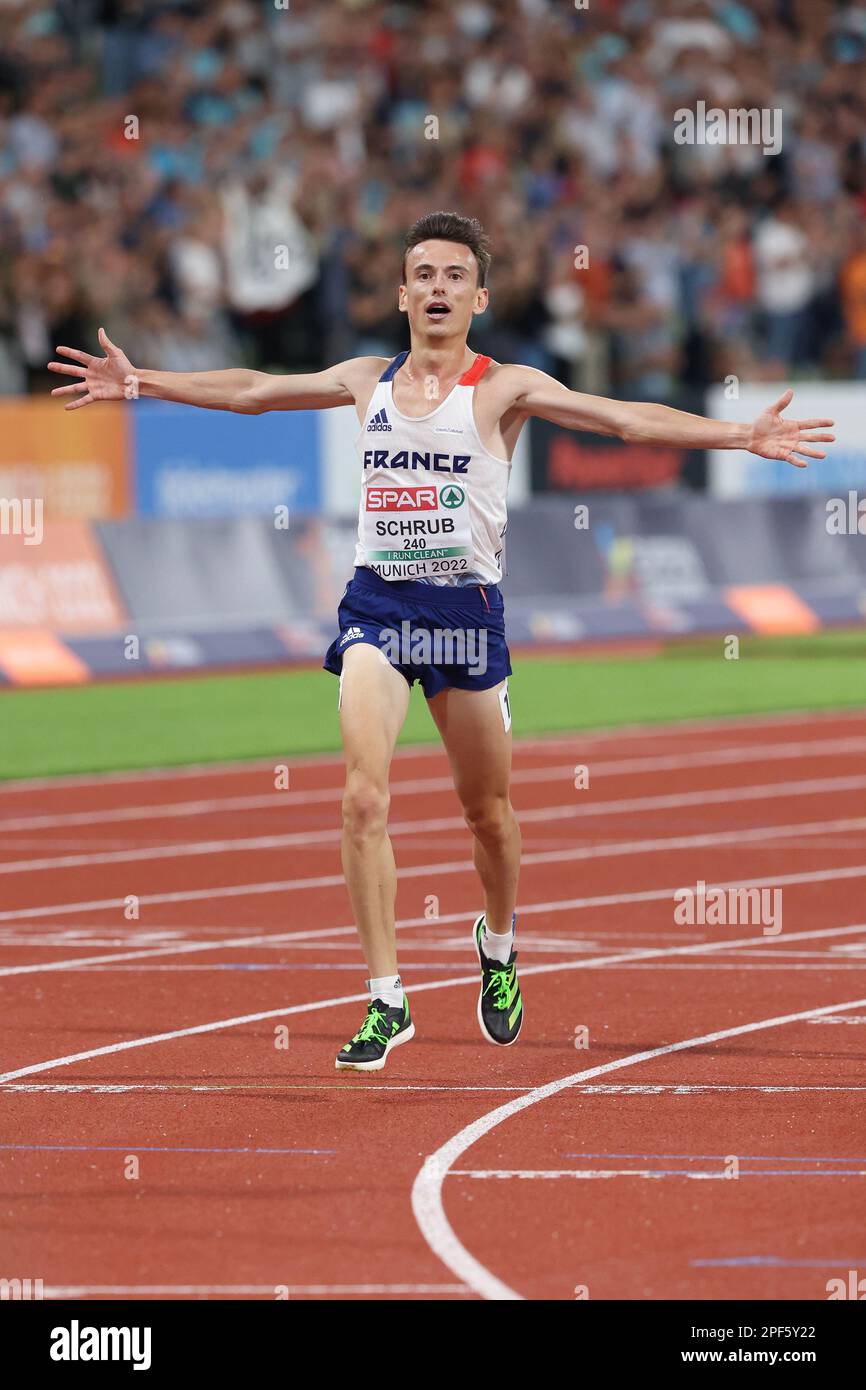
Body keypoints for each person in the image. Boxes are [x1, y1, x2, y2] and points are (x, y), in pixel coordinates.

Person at [48, 211, 835, 1072]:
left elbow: (621, 421)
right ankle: (387, 998)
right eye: (422, 274)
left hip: (465, 620)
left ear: (479, 297)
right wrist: (143, 383)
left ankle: (497, 944)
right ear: (400, 293)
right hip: (377, 610)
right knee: (361, 798)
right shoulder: (364, 380)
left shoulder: (503, 389)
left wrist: (740, 433)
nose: (436, 288)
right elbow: (255, 390)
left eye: (454, 276)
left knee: (487, 816)